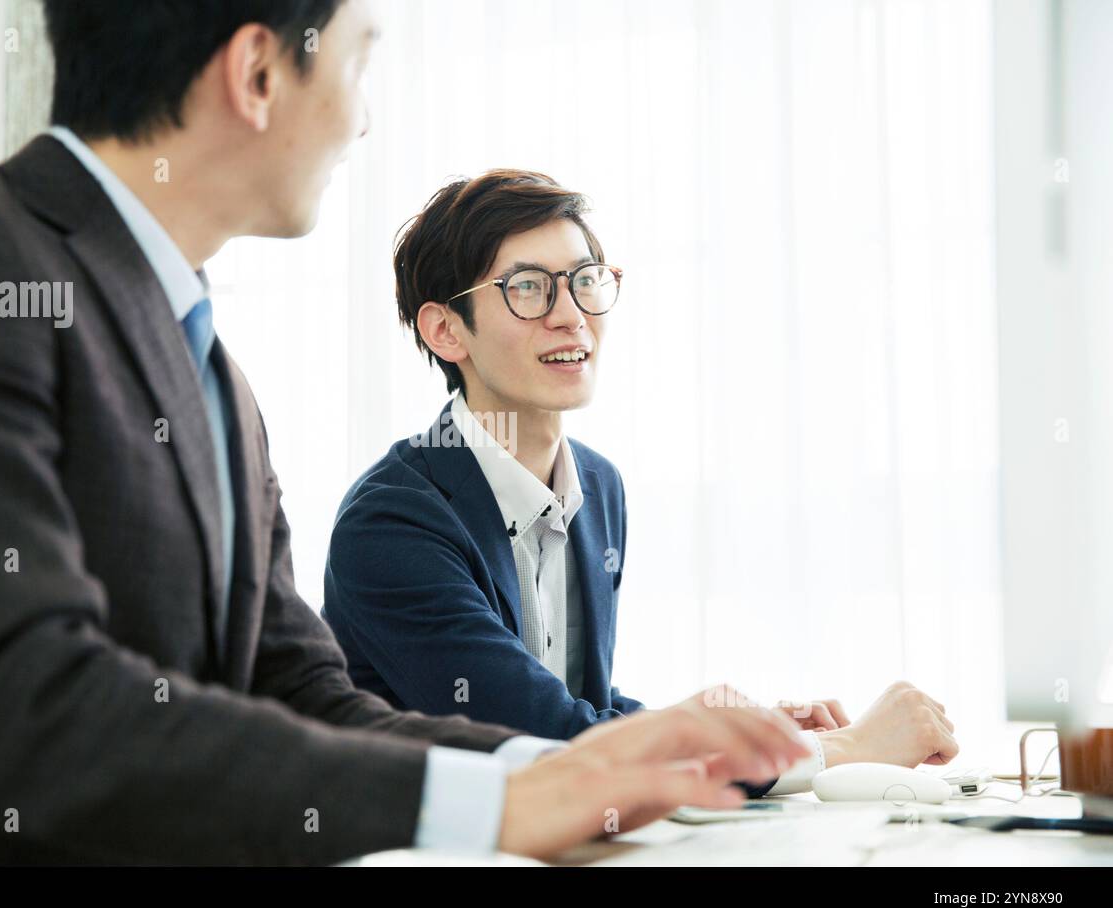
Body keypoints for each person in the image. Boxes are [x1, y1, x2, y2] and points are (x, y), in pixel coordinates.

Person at [0, 0, 810, 865]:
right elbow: (19, 706)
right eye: (358, 58)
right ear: (257, 72)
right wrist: (505, 802)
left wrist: (573, 766)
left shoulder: (214, 374)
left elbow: (301, 693)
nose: (362, 117)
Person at [322, 169, 960, 792]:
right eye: (527, 288)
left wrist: (755, 733)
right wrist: (828, 751)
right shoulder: (392, 522)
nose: (571, 315)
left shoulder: (598, 486)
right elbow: (545, 742)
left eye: (585, 281)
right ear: (446, 330)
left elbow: (588, 710)